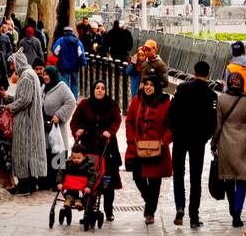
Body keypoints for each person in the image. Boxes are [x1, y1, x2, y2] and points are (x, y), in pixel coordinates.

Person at [211, 72, 246, 228]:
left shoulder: (221, 99)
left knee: (228, 179)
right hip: (244, 142)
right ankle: (237, 213)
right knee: (241, 180)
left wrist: (214, 143)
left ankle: (232, 209)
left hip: (226, 143)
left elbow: (218, 125)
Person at [169, 59, 218, 227]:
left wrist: (175, 131)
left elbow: (172, 112)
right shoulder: (211, 95)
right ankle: (194, 216)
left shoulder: (182, 88)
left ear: (194, 72)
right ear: (209, 74)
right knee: (195, 178)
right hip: (198, 141)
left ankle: (180, 207)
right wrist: (205, 137)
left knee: (178, 174)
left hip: (180, 138)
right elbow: (213, 121)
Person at [70, 78, 123, 220]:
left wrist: (110, 132)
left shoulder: (111, 105)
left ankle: (109, 210)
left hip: (107, 147)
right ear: (93, 90)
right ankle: (89, 209)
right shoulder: (84, 105)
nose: (100, 90)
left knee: (107, 181)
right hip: (89, 147)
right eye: (97, 88)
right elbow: (74, 121)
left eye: (103, 88)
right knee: (89, 179)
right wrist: (77, 131)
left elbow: (117, 120)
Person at [125, 71, 172, 224]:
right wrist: (131, 140)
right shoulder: (137, 99)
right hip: (138, 147)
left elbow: (170, 125)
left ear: (157, 87)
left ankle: (150, 212)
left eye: (151, 85)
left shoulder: (166, 102)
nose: (148, 87)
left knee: (154, 182)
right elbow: (129, 120)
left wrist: (164, 141)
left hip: (157, 149)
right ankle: (148, 200)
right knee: (138, 176)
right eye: (146, 84)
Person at [6, 49, 48, 194]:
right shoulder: (29, 74)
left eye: (12, 64)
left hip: (26, 121)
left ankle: (24, 183)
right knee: (30, 151)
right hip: (30, 119)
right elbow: (25, 95)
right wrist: (9, 98)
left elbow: (24, 99)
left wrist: (10, 107)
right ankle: (30, 182)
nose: (12, 68)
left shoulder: (26, 77)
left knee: (23, 151)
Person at [52, 25, 87, 97]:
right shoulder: (77, 41)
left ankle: (66, 98)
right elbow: (81, 54)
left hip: (63, 65)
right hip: (75, 66)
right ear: (72, 32)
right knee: (74, 83)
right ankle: (74, 99)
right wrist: (84, 63)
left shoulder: (61, 40)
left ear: (64, 32)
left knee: (65, 83)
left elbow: (55, 52)